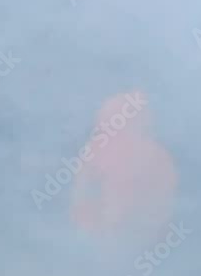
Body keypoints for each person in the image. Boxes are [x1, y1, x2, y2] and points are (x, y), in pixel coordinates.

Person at [69, 90, 178, 258]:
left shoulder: (96, 149)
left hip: (116, 237)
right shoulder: (160, 154)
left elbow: (81, 193)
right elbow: (166, 205)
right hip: (143, 240)